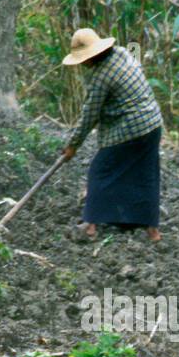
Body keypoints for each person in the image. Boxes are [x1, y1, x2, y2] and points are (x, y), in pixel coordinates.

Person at [59, 27, 164, 243]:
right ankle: (152, 231)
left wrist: (73, 145)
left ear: (90, 57)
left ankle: (90, 225)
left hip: (131, 130)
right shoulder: (123, 53)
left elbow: (89, 116)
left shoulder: (100, 78)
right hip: (153, 124)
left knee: (100, 171)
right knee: (145, 176)